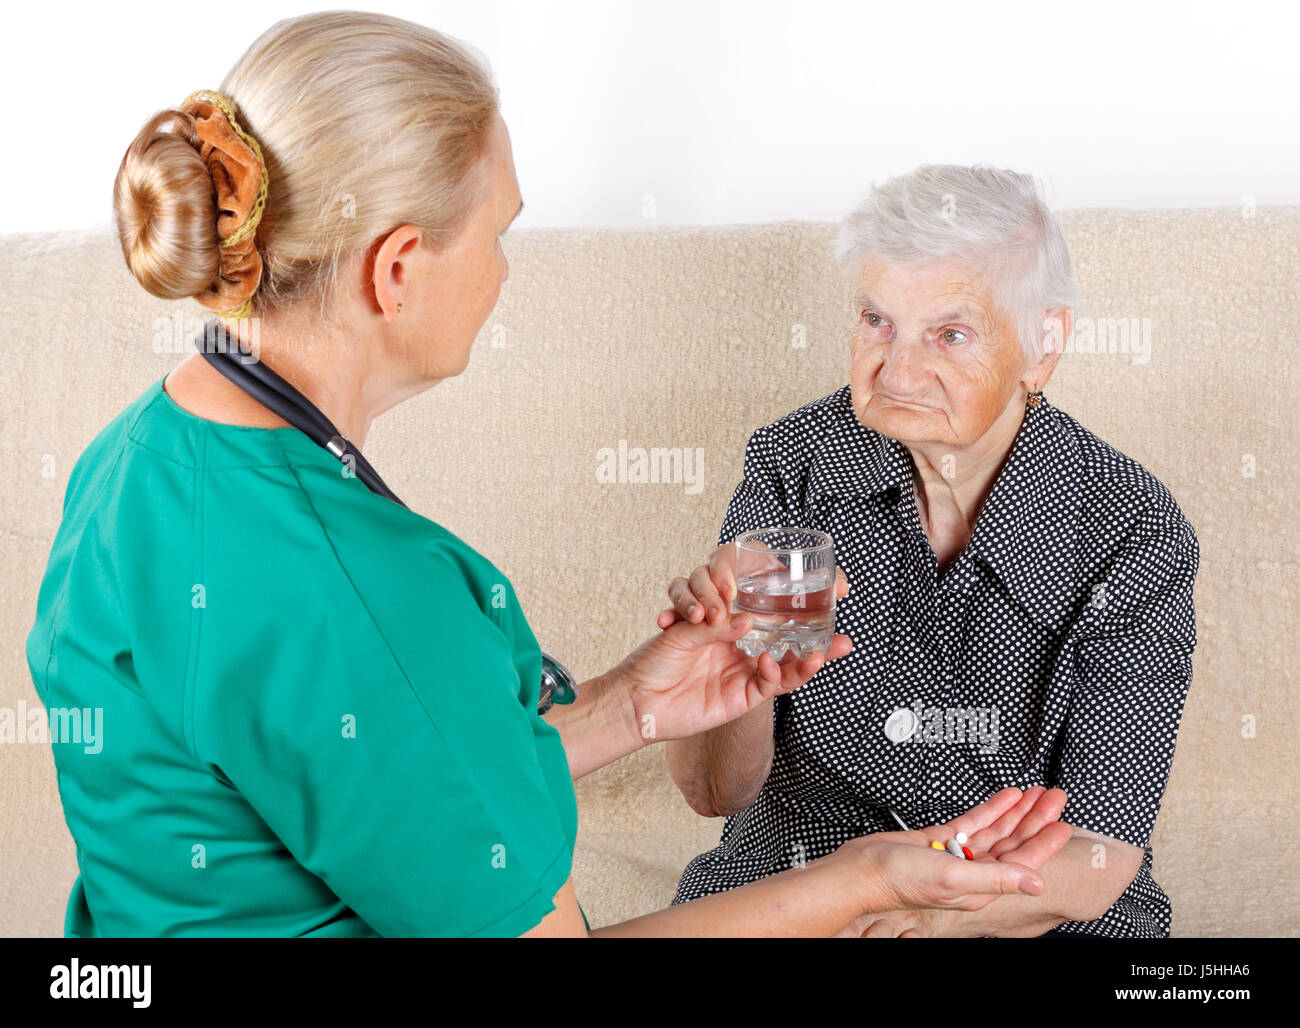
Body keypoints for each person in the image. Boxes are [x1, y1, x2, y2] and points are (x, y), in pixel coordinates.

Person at [26, 12, 1070, 938]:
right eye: (498, 231)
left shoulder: (136, 456)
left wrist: (628, 705)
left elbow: (370, 762)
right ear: (396, 269)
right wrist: (858, 881)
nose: (504, 270)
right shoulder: (362, 590)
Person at [662, 164, 1200, 938]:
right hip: (804, 865)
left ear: (1043, 346)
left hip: (1021, 891)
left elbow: (1099, 848)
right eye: (877, 321)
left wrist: (924, 920)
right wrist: (732, 672)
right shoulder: (796, 466)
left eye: (950, 334)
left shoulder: (1130, 527)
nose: (899, 370)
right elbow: (718, 795)